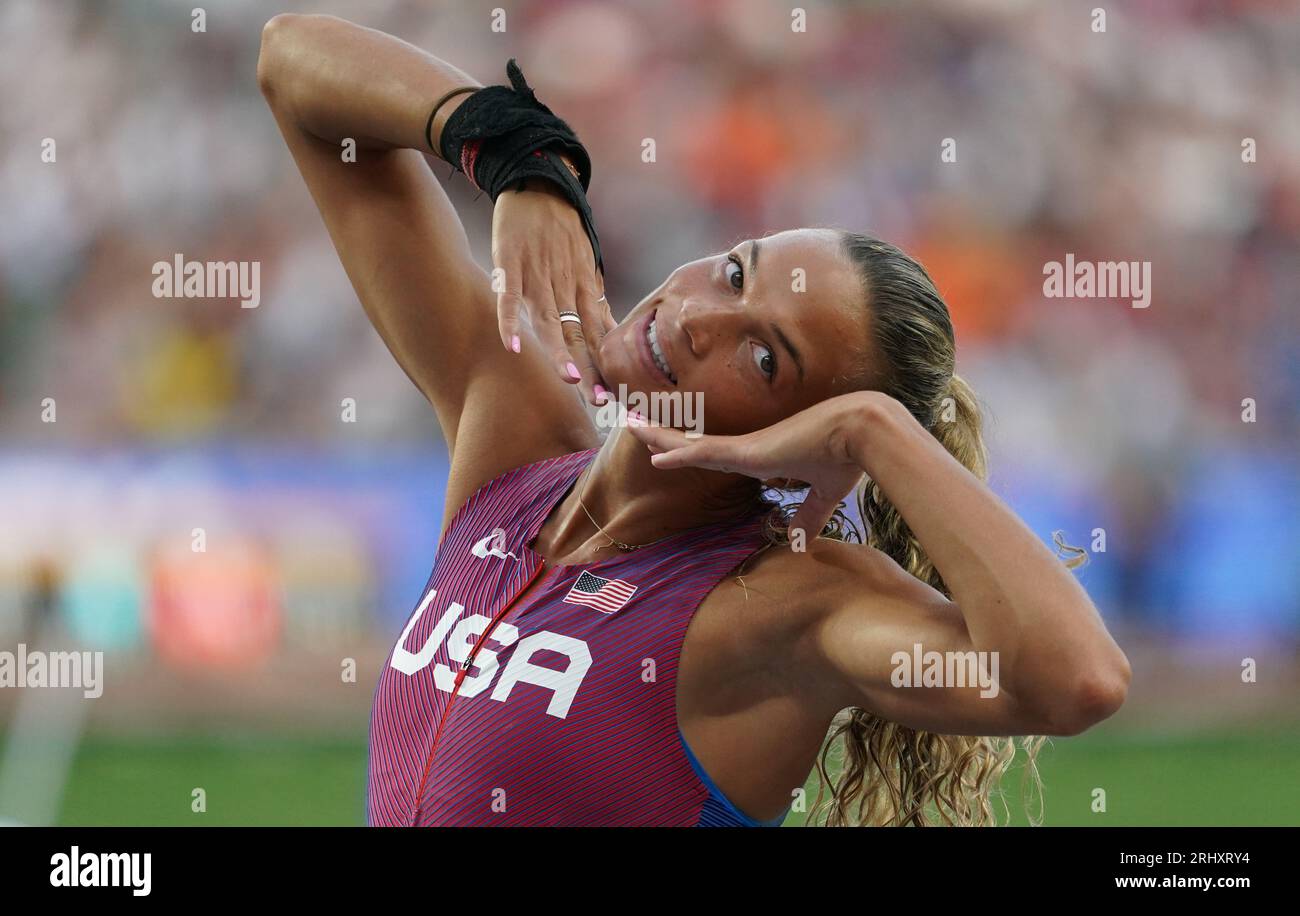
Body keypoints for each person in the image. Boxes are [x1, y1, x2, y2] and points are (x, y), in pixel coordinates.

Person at [257, 13, 1130, 826]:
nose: (702, 317)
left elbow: (1078, 681)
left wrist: (873, 429)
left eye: (763, 360)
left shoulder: (787, 608)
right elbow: (293, 66)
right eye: (738, 272)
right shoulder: (514, 447)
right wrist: (513, 152)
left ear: (803, 443)